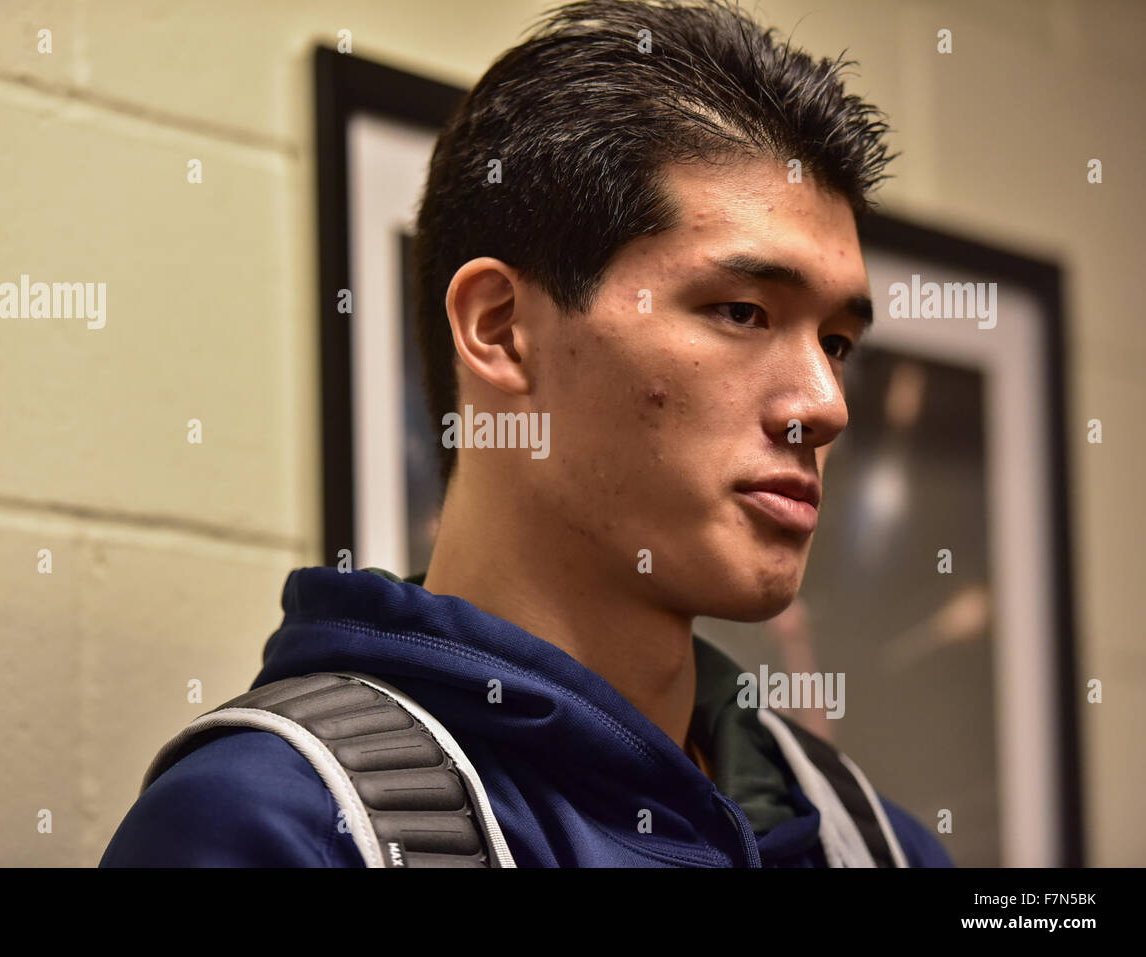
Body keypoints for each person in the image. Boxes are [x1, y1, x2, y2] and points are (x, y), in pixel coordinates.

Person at [101, 0, 953, 868]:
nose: (827, 403)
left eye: (837, 343)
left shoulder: (873, 842)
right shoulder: (280, 827)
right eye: (742, 311)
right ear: (502, 328)